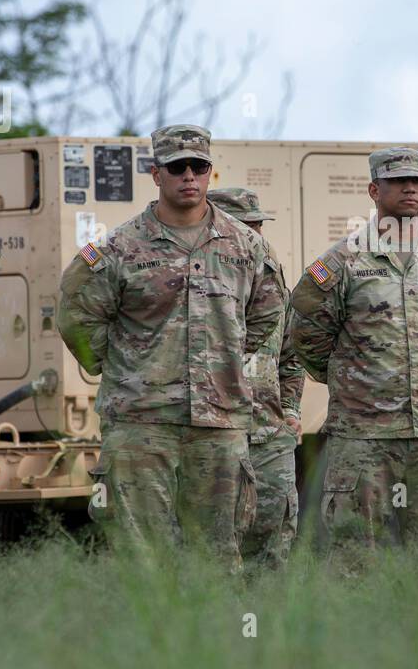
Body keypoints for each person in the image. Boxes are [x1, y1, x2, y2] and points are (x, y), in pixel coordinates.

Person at [58, 125, 284, 569]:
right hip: (141, 424)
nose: (188, 176)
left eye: (197, 167)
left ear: (209, 173)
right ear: (155, 173)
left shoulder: (247, 245)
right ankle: (149, 638)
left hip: (219, 425)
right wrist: (123, 364)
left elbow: (267, 312)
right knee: (142, 556)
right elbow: (76, 314)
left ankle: (216, 638)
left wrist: (225, 361)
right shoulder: (119, 247)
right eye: (176, 167)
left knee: (218, 554)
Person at [290, 147, 418, 570]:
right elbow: (306, 331)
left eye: (416, 181)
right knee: (353, 555)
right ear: (373, 190)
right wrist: (352, 379)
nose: (409, 189)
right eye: (398, 181)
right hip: (362, 436)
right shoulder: (343, 261)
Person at [210, 186, 304, 569]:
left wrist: (291, 409)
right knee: (212, 545)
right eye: (246, 227)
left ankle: (265, 623)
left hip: (268, 433)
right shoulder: (200, 283)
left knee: (272, 539)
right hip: (212, 432)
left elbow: (291, 352)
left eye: (258, 227)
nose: (255, 236)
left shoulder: (271, 277)